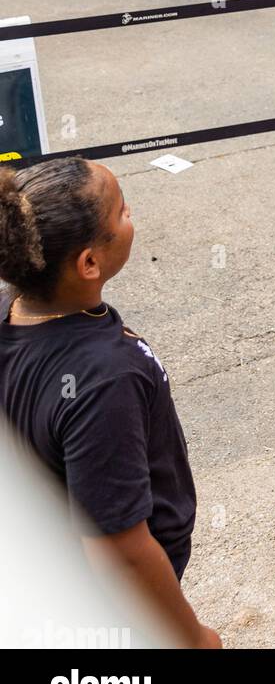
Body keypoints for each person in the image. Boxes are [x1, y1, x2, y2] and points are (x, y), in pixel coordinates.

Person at [0, 159, 219, 648]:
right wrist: (191, 638)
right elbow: (120, 550)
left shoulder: (12, 312)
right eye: (121, 213)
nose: (130, 215)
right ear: (89, 263)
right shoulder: (103, 380)